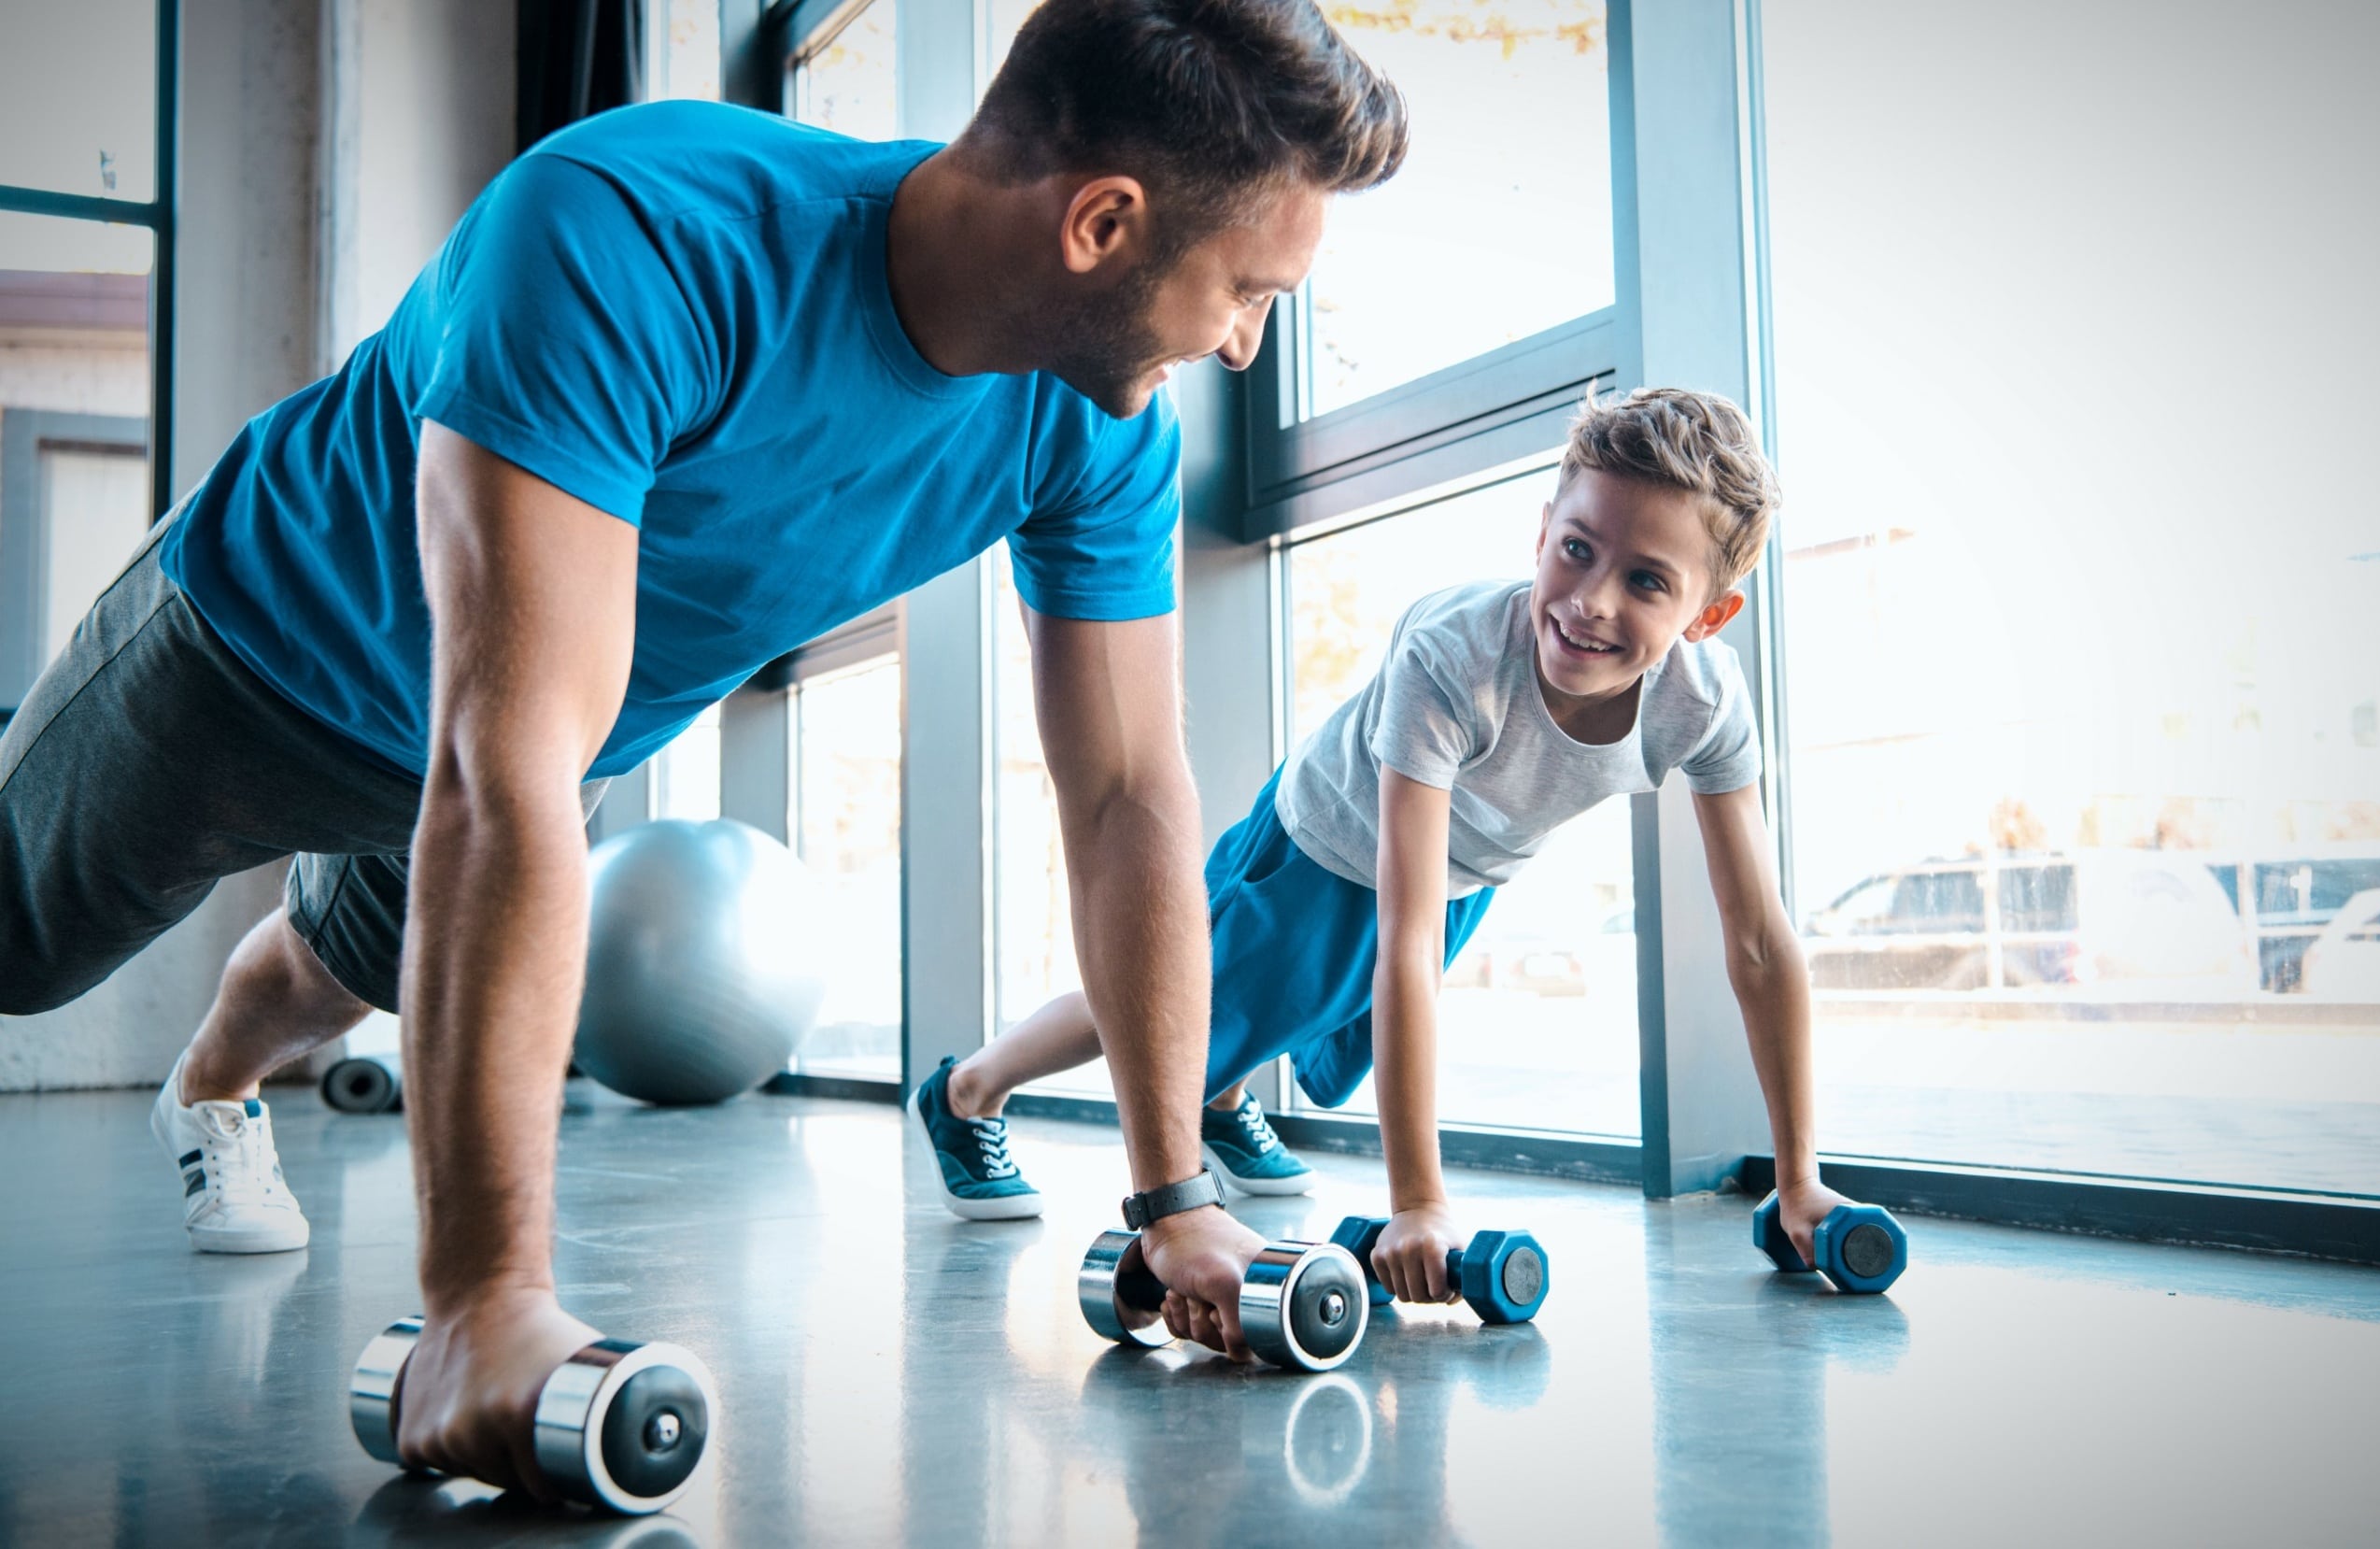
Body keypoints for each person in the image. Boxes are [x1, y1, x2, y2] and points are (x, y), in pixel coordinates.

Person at [0, 0, 1406, 1497]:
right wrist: (484, 1298)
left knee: (321, 976)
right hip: (254, 651)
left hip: (518, 754)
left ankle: (210, 1085)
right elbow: (501, 756)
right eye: (1244, 294)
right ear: (1104, 223)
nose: (1243, 344)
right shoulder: (639, 227)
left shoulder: (1100, 430)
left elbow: (1128, 795)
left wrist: (1173, 1198)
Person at [926, 385, 1863, 1299]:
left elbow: (1756, 938)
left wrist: (1798, 1174)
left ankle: (1220, 1093)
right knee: (1169, 1007)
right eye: (1575, 550)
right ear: (1542, 534)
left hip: (1464, 875)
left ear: (1706, 616)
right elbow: (1401, 937)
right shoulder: (1452, 655)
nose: (1589, 601)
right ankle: (970, 1088)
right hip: (1321, 848)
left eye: (1646, 581)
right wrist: (1418, 1201)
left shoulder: (1704, 702)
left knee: (1306, 1043)